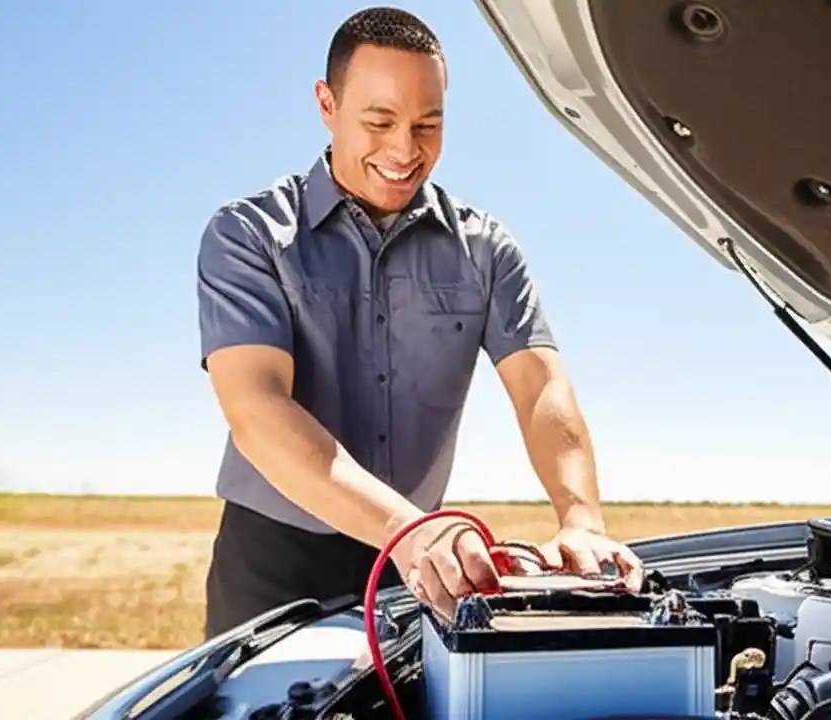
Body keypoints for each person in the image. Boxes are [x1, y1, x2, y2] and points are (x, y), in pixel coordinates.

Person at [195, 5, 643, 639]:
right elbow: (256, 410)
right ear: (327, 104)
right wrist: (404, 527)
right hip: (273, 562)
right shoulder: (248, 235)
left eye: (427, 125)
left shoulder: (486, 249)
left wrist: (581, 518)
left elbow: (540, 388)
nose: (404, 151)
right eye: (378, 122)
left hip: (419, 564)